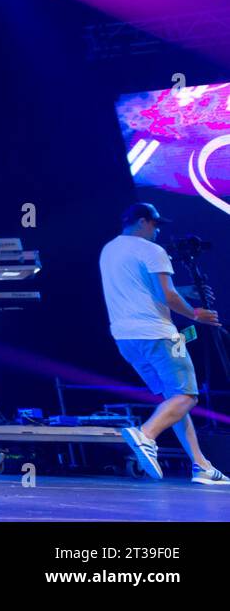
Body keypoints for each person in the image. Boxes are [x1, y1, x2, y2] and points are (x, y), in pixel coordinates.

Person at [99, 202, 227, 484]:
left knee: (174, 399)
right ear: (143, 221)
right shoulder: (152, 251)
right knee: (187, 396)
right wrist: (196, 313)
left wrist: (187, 291)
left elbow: (144, 291)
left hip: (125, 337)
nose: (157, 231)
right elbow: (167, 296)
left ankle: (201, 465)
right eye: (156, 225)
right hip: (158, 334)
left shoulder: (109, 250)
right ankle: (146, 434)